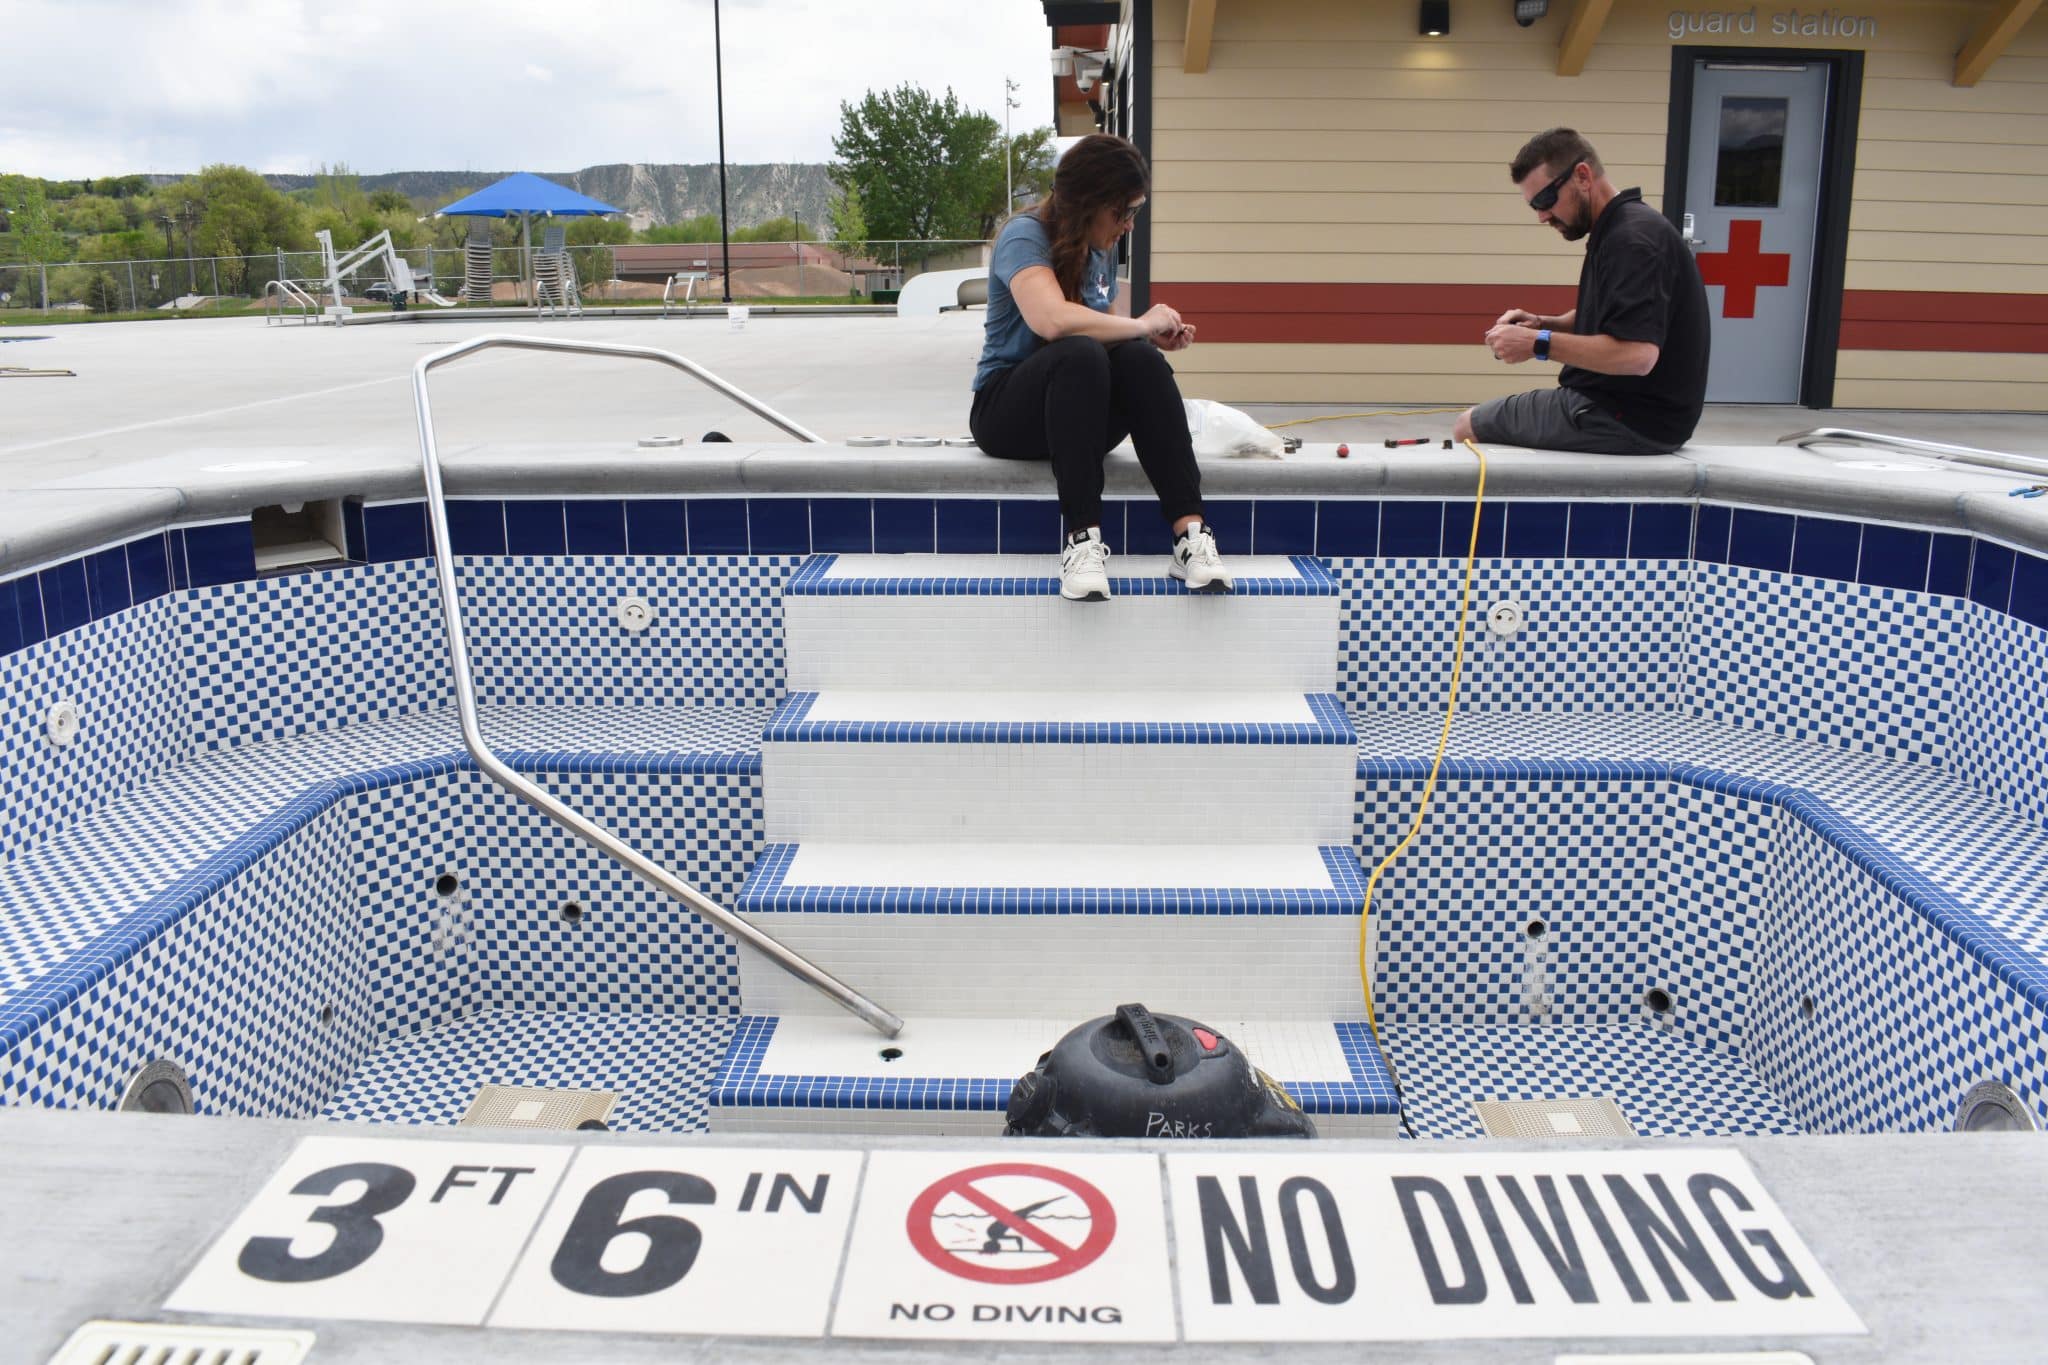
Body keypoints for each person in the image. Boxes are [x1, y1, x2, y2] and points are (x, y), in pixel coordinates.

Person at [970, 133, 1233, 601]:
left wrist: (1144, 336)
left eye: (1135, 211)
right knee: (1080, 352)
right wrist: (1138, 323)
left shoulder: (1100, 250)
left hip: (1075, 415)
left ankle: (1191, 538)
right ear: (1087, 204)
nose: (1129, 225)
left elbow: (1107, 336)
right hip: (1006, 413)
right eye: (1123, 212)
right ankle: (1082, 543)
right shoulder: (1024, 235)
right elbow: (1052, 321)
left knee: (1138, 359)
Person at [1453, 128, 1711, 456]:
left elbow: (1637, 355)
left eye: (1545, 200)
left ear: (1583, 176)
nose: (1542, 216)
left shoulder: (1631, 241)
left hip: (1626, 419)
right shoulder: (1624, 228)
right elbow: (1622, 319)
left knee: (1467, 426)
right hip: (1638, 415)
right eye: (1534, 206)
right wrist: (1545, 324)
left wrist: (1537, 344)